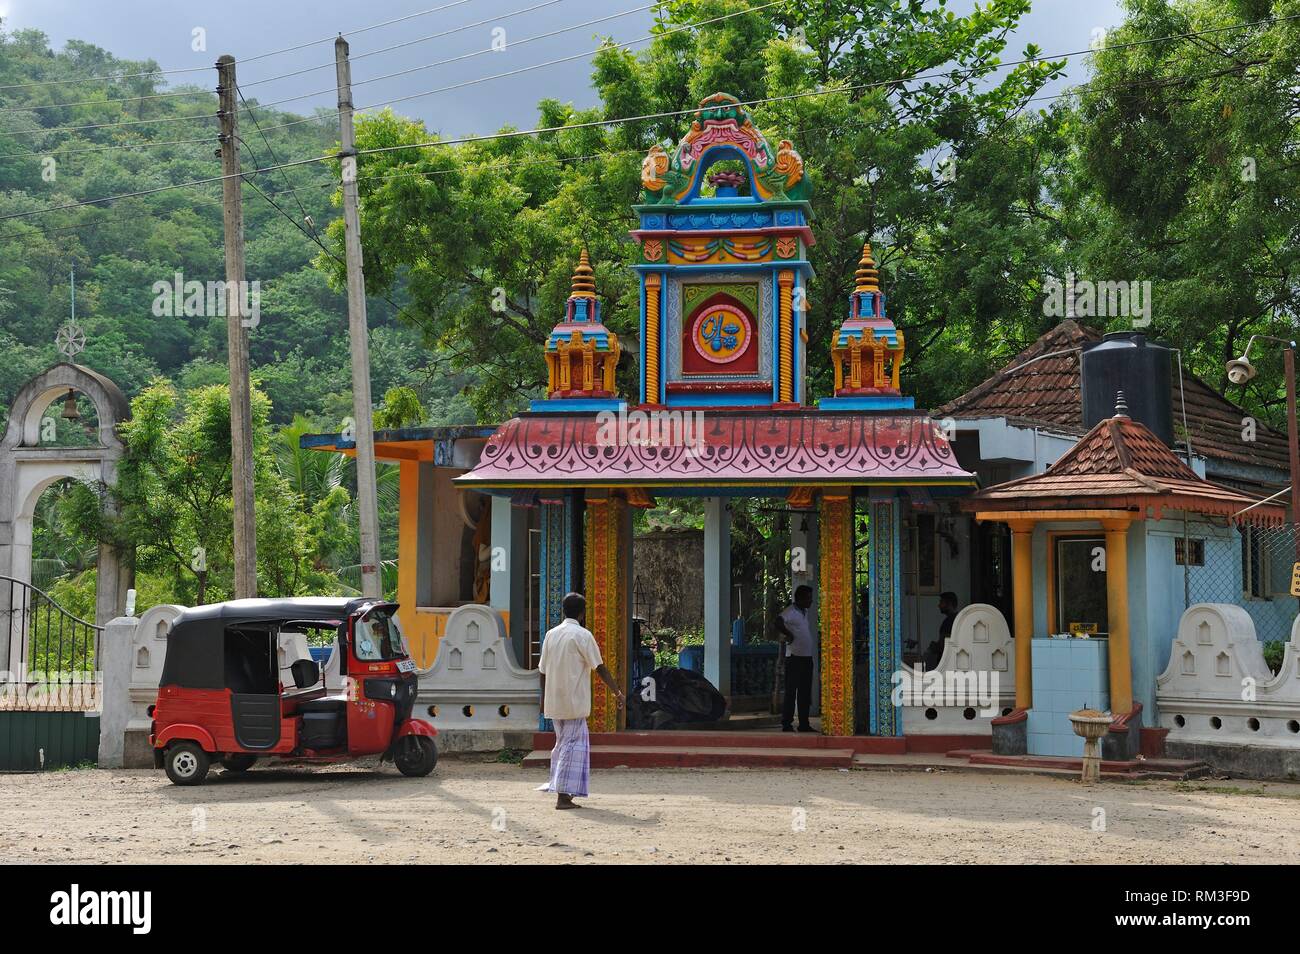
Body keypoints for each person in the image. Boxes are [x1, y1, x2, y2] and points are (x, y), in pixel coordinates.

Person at [538, 591, 625, 809]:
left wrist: (542, 699)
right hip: (574, 702)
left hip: (554, 701)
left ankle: (562, 789)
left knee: (562, 744)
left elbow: (542, 671)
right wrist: (617, 692)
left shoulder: (551, 634)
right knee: (572, 747)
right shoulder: (583, 635)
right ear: (582, 613)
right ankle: (562, 795)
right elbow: (600, 668)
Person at [775, 584, 815, 733]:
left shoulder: (804, 612)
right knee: (791, 692)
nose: (811, 601)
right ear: (800, 598)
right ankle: (787, 723)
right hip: (794, 658)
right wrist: (789, 635)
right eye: (808, 598)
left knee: (805, 692)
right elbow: (778, 621)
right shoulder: (790, 611)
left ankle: (804, 724)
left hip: (806, 658)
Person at [924, 592, 960, 670]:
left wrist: (934, 647)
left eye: (941, 602)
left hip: (947, 666)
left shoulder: (950, 621)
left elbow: (946, 645)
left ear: (949, 604)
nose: (939, 605)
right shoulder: (957, 619)